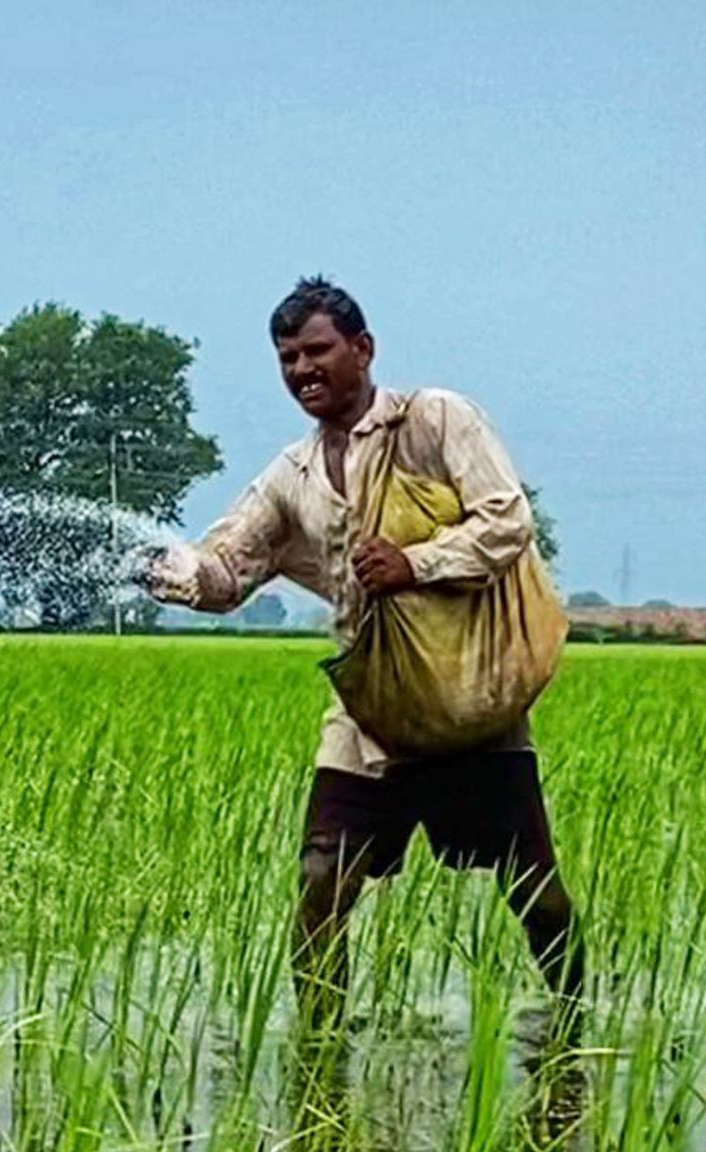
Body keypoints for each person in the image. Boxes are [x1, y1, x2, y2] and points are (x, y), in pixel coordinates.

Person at [143, 276, 586, 1058]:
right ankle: (320, 1049)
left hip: (468, 703)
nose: (302, 370)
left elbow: (506, 519)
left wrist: (416, 562)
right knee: (322, 878)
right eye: (288, 359)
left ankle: (578, 1021)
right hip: (370, 715)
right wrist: (173, 573)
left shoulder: (435, 422)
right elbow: (228, 568)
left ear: (363, 349)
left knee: (534, 891)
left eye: (317, 351)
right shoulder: (293, 477)